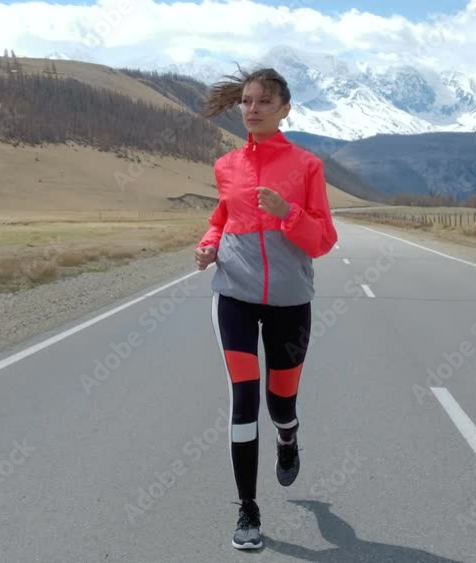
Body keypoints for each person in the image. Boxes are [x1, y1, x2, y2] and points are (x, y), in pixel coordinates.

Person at [195, 66, 338, 550]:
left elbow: (323, 240)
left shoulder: (308, 166)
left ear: (285, 109)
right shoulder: (226, 165)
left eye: (263, 102)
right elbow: (222, 217)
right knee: (243, 400)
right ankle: (248, 511)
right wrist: (209, 245)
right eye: (247, 101)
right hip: (233, 294)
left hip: (289, 302)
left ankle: (289, 436)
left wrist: (288, 214)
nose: (251, 109)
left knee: (281, 403)